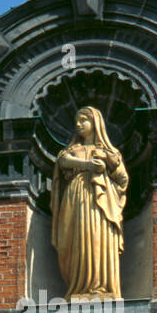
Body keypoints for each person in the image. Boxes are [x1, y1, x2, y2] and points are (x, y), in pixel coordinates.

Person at [50, 106, 128, 299]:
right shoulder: (71, 151)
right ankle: (78, 287)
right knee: (75, 236)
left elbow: (123, 180)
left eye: (83, 120)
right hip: (76, 196)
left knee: (97, 236)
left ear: (96, 123)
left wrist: (108, 162)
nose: (78, 124)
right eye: (77, 121)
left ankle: (101, 286)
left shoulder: (110, 152)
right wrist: (88, 165)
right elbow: (63, 161)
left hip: (101, 199)